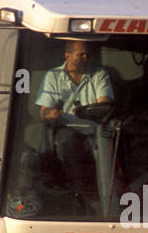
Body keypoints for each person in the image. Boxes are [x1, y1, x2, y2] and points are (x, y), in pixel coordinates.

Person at [25, 40, 114, 195]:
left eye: (87, 54)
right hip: (67, 129)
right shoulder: (53, 76)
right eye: (81, 54)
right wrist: (51, 114)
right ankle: (79, 191)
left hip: (97, 128)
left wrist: (93, 111)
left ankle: (112, 192)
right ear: (67, 55)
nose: (85, 58)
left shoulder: (99, 74)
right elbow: (43, 112)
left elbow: (105, 103)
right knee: (68, 142)